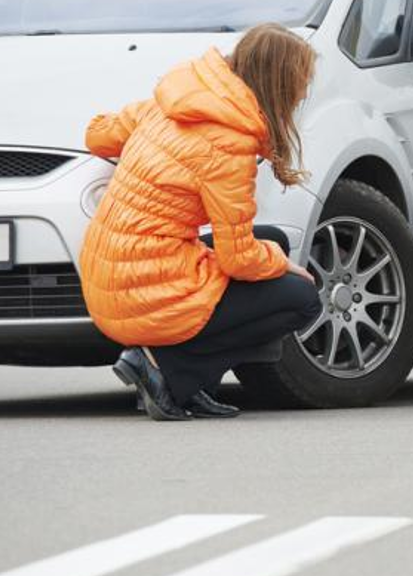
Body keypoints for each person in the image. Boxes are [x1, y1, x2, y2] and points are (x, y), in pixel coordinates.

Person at [79, 23, 322, 421]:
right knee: (301, 298)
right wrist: (282, 262)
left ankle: (183, 380)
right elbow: (238, 258)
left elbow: (97, 135)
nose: (302, 95)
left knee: (272, 238)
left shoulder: (178, 99)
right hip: (142, 288)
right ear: (279, 85)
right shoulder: (230, 143)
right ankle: (168, 371)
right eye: (301, 84)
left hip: (108, 269)